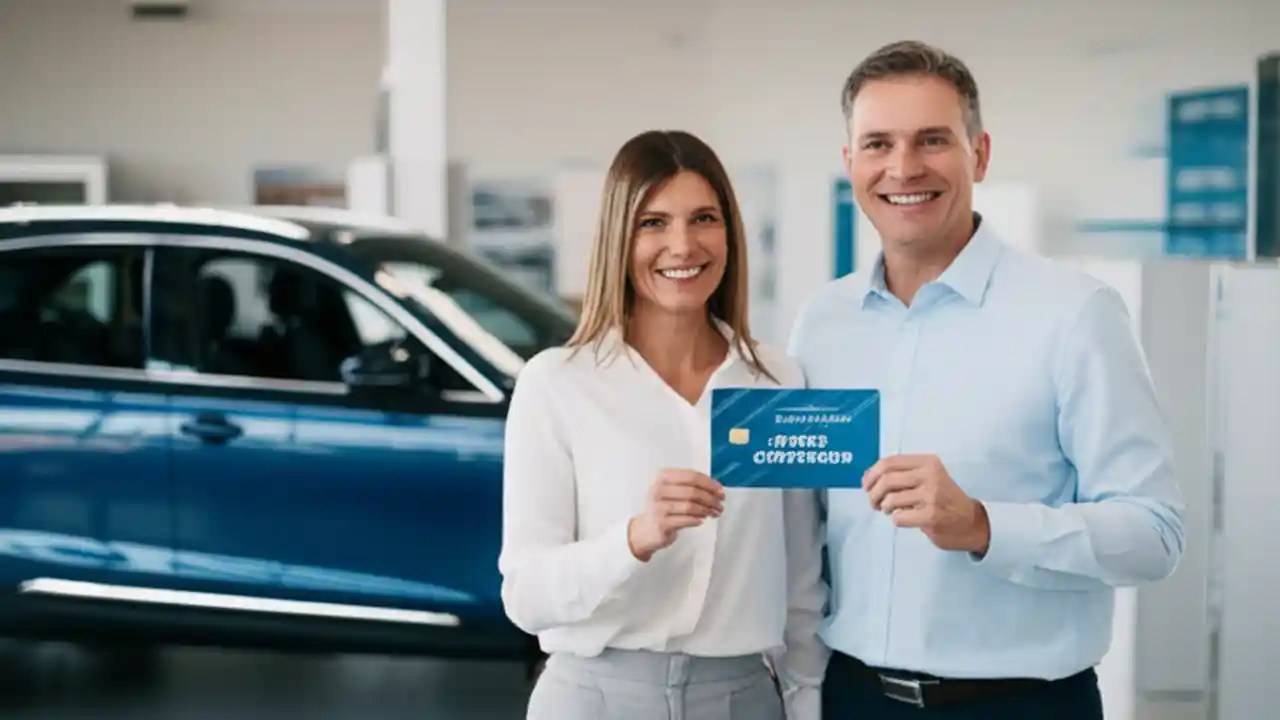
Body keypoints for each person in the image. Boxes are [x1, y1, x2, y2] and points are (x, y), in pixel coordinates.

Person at [788, 40, 1187, 719]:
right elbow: (803, 523)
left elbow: (1154, 535)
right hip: (851, 699)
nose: (904, 167)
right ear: (851, 163)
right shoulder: (822, 322)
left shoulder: (1074, 314)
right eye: (878, 144)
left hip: (1020, 704)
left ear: (980, 153)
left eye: (933, 140)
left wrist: (982, 525)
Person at [499, 129, 829, 720]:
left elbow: (801, 586)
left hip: (743, 699)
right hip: (592, 697)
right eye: (653, 222)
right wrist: (634, 538)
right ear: (619, 240)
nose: (682, 245)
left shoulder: (778, 381)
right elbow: (526, 596)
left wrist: (806, 706)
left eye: (704, 218)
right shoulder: (557, 383)